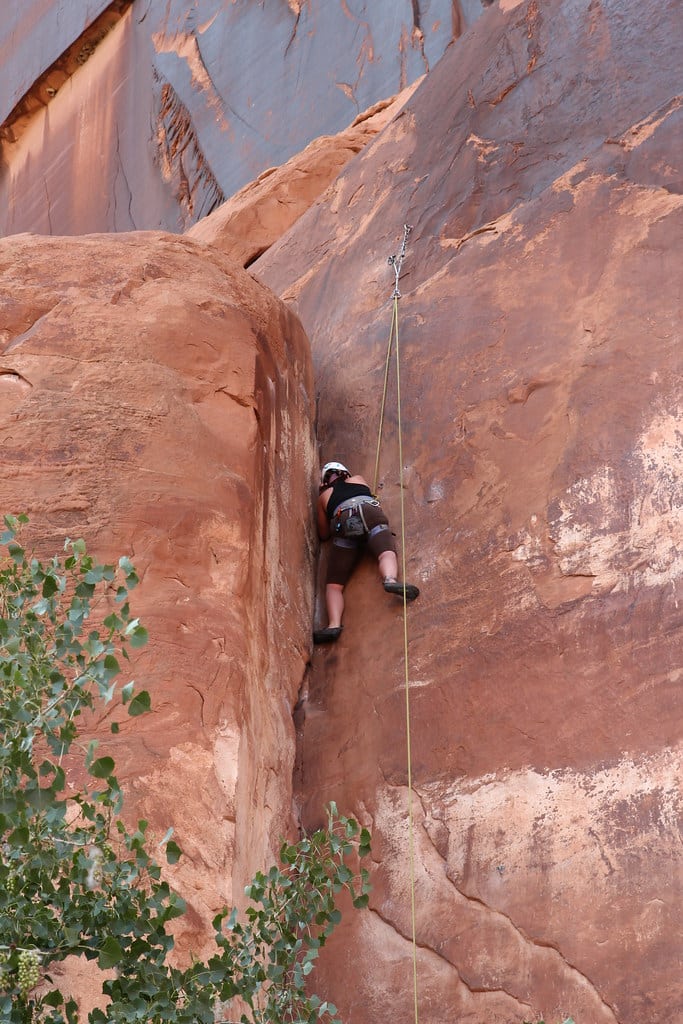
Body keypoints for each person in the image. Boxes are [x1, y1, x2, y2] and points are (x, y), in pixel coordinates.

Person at [313, 461, 419, 643]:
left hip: (344, 521)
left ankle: (334, 625)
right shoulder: (358, 479)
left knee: (334, 586)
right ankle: (389, 580)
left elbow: (323, 534)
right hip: (370, 512)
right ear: (345, 474)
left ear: (325, 481)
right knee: (386, 553)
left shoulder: (324, 496)